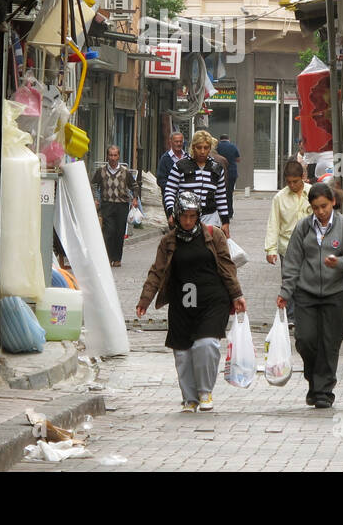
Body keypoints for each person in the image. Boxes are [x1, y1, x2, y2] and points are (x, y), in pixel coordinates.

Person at [136, 190, 246, 412]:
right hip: (182, 302)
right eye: (184, 216)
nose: (188, 221)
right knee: (183, 352)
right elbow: (156, 272)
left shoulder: (213, 235)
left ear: (198, 216)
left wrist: (236, 295)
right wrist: (145, 299)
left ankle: (205, 392)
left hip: (213, 300)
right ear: (176, 216)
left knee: (206, 344)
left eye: (192, 216)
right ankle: (189, 398)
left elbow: (227, 267)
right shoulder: (168, 241)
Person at [277, 183, 343, 409]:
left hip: (337, 293)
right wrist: (285, 292)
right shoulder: (304, 227)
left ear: (333, 202)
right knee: (305, 340)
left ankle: (323, 391)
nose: (321, 212)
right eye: (316, 208)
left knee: (329, 343)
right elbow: (293, 262)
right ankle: (314, 379)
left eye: (324, 206)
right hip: (306, 292)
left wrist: (339, 263)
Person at [163, 129, 230, 239]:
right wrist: (171, 213)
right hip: (186, 218)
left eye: (206, 147)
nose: (202, 151)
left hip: (210, 218)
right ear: (193, 147)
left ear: (210, 148)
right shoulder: (180, 166)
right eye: (199, 148)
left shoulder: (217, 168)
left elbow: (221, 196)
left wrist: (225, 222)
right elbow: (170, 191)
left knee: (209, 251)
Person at [92, 144, 139, 267]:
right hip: (107, 204)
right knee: (108, 231)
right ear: (107, 156)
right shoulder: (101, 171)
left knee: (119, 233)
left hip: (122, 205)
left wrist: (134, 198)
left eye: (115, 155)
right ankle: (107, 257)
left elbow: (134, 186)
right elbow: (93, 184)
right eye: (110, 155)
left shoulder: (125, 172)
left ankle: (117, 258)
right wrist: (96, 198)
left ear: (118, 156)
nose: (113, 158)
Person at [264, 160, 311, 266]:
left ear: (302, 176)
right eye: (288, 182)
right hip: (287, 248)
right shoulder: (279, 198)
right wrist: (271, 250)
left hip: (311, 248)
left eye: (295, 181)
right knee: (289, 281)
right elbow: (273, 224)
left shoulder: (313, 193)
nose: (292, 185)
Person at [215, 134, 241, 221]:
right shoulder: (233, 146)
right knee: (229, 193)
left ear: (220, 139)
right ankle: (229, 212)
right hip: (231, 173)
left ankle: (220, 211)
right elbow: (238, 159)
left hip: (219, 172)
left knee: (219, 192)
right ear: (228, 139)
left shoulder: (217, 146)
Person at [155, 130, 186, 196]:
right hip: (170, 196)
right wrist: (174, 188)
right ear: (171, 142)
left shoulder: (187, 157)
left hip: (186, 197)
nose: (179, 144)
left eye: (180, 141)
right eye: (176, 142)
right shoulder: (165, 159)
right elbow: (161, 180)